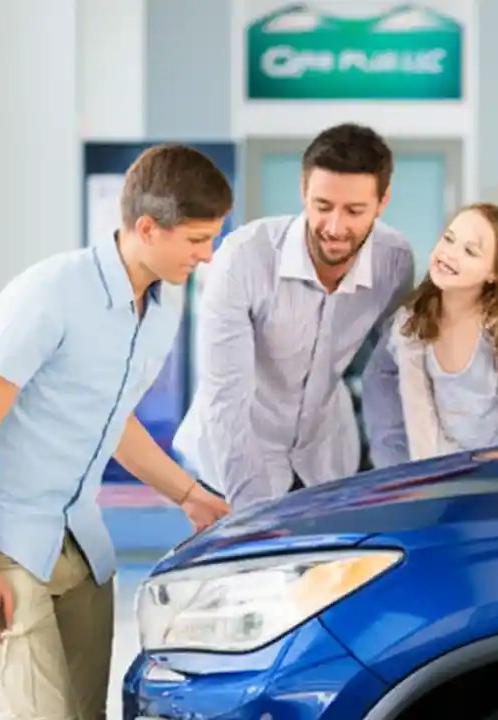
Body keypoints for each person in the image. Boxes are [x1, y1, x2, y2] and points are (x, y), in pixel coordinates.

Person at [0, 144, 234, 720]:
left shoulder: (161, 308)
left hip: (81, 546)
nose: (207, 255)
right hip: (3, 541)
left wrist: (192, 497)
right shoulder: (49, 292)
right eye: (197, 239)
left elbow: (113, 417)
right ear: (147, 227)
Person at [173, 123, 414, 509]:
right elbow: (225, 398)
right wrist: (251, 520)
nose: (335, 227)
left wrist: (397, 482)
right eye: (322, 206)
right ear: (303, 191)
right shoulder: (244, 258)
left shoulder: (394, 260)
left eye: (354, 211)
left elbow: (384, 375)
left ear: (383, 201)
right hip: (229, 464)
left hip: (325, 463)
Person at [360, 203, 498, 467]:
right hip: (446, 465)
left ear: (495, 273)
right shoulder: (410, 325)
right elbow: (419, 418)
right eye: (449, 239)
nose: (450, 254)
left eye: (470, 251)